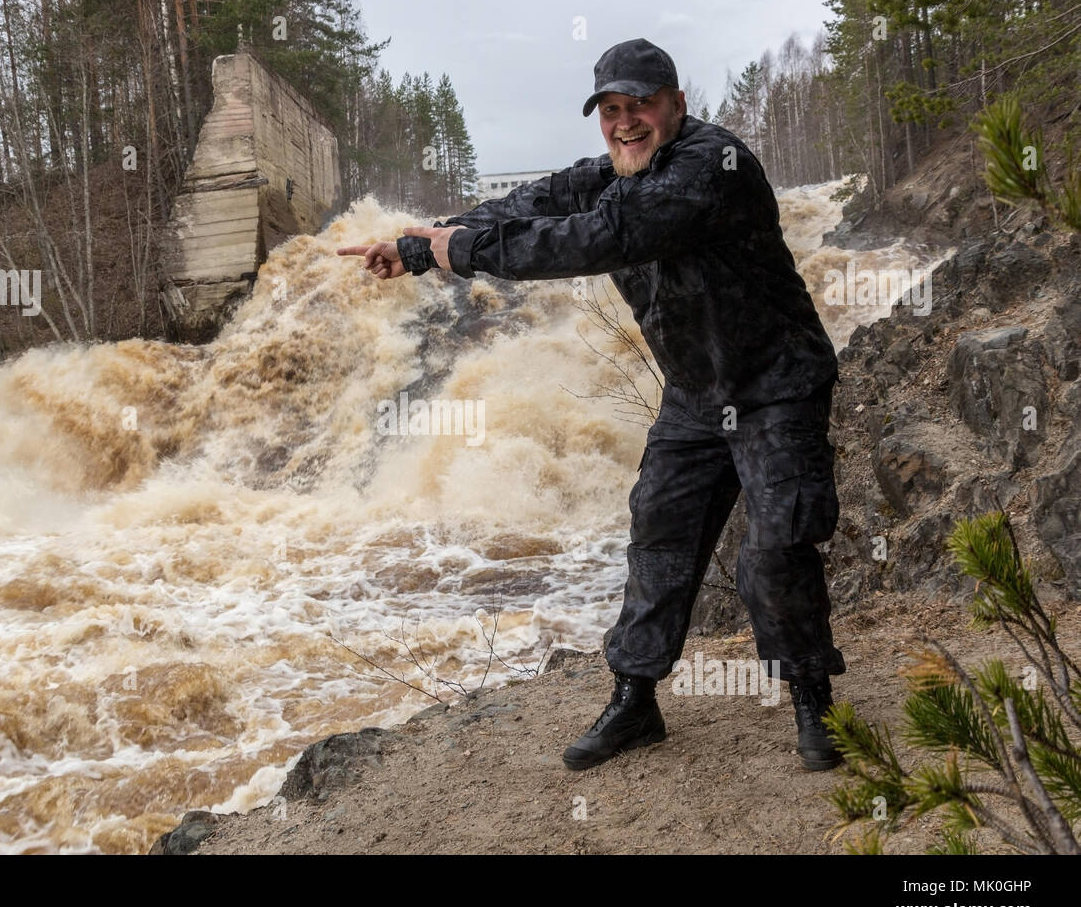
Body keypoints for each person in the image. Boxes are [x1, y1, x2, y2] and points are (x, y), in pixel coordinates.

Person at [337, 38, 848, 773]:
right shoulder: (610, 171)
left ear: (676, 103)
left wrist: (459, 253)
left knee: (774, 549)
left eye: (641, 105)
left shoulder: (711, 168)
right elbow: (533, 203)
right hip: (697, 393)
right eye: (611, 110)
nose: (626, 122)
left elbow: (596, 238)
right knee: (658, 539)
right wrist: (419, 246)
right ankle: (635, 700)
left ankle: (810, 699)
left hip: (777, 386)